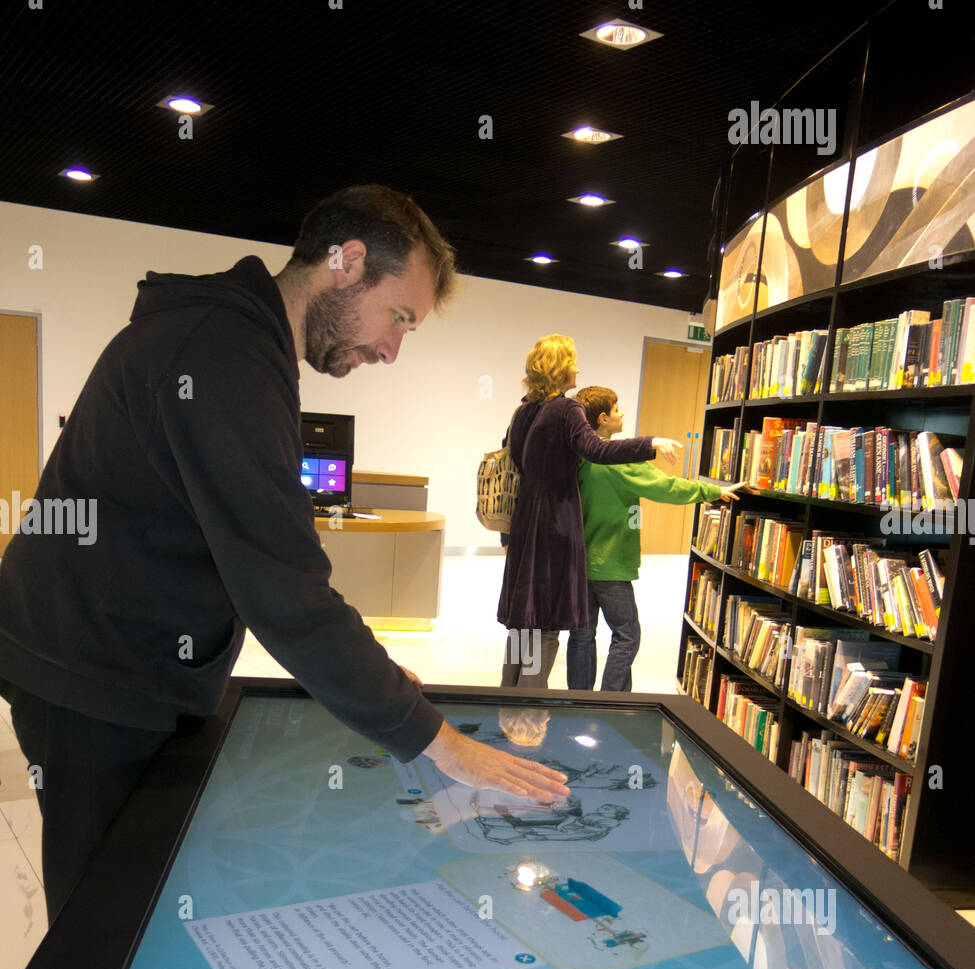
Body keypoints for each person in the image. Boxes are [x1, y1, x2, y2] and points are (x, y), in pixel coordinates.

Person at [0, 184, 567, 927]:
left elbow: (256, 555)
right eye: (398, 316)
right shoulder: (222, 352)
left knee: (138, 887)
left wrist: (368, 672)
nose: (392, 350)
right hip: (93, 673)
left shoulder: (237, 343)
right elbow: (285, 589)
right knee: (100, 913)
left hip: (123, 656)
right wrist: (442, 744)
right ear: (347, 261)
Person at [497, 335, 682, 687]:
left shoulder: (522, 411)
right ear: (560, 368)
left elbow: (513, 468)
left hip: (524, 526)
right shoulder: (567, 410)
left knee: (524, 621)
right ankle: (527, 712)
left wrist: (508, 533)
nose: (577, 367)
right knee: (545, 625)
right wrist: (651, 443)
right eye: (573, 361)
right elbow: (597, 449)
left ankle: (508, 701)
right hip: (554, 527)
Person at [566, 385, 747, 691]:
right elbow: (667, 488)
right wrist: (713, 491)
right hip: (610, 565)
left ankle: (579, 701)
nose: (621, 413)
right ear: (603, 419)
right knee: (627, 635)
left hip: (579, 563)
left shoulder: (577, 459)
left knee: (583, 634)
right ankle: (609, 702)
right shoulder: (618, 460)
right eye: (616, 409)